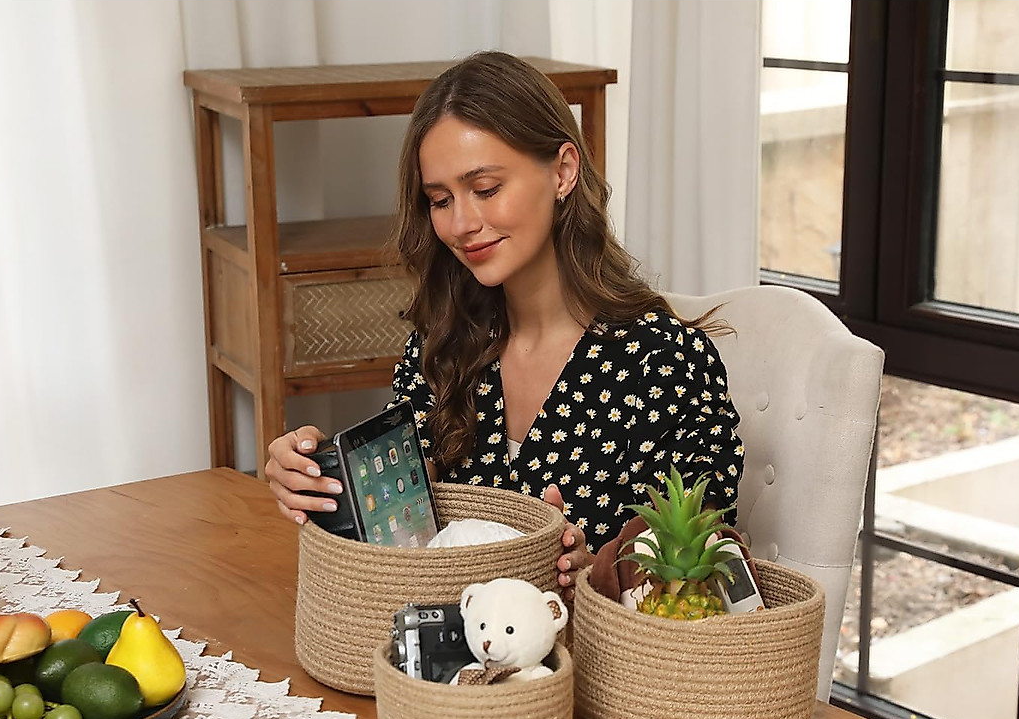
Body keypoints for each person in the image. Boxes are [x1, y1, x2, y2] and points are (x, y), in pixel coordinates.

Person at [265, 50, 744, 603]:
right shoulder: (444, 345)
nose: (462, 224)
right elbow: (402, 525)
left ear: (563, 171)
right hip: (450, 672)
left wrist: (598, 575)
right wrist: (317, 474)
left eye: (486, 189)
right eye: (440, 200)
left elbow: (704, 584)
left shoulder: (666, 363)